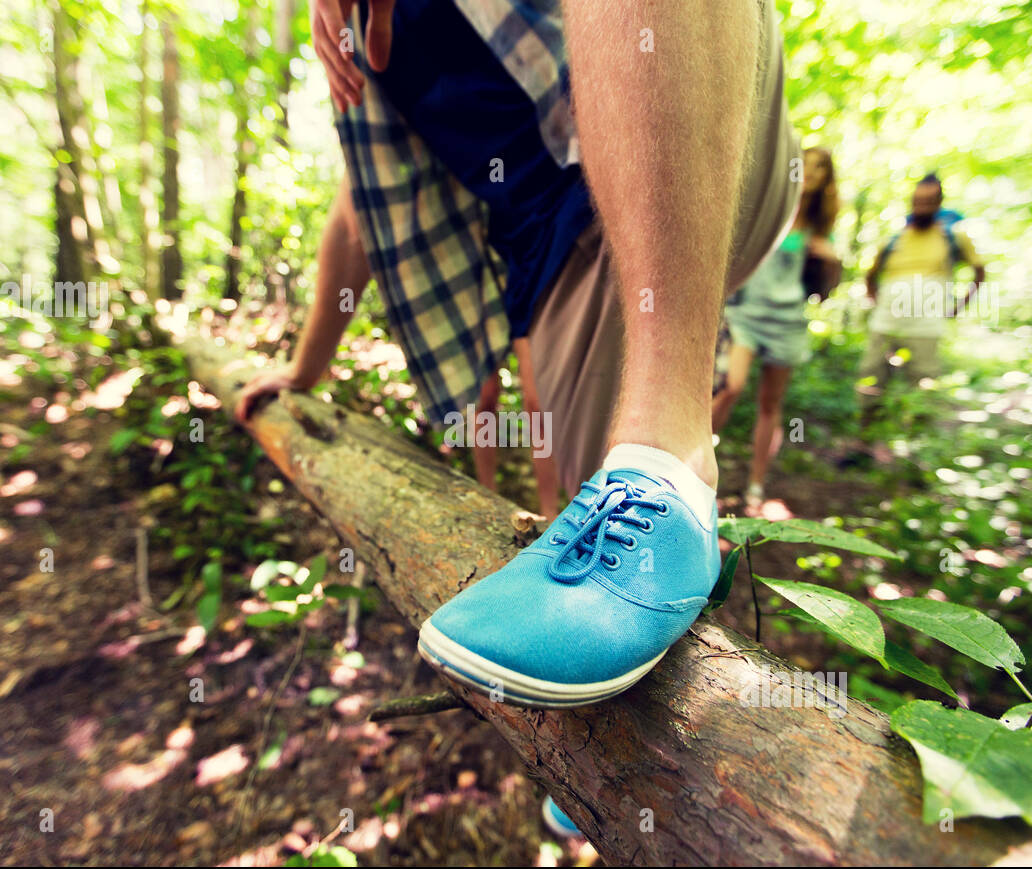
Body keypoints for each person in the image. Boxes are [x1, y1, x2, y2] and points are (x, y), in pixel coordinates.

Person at [251, 0, 799, 709]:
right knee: (571, 520)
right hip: (544, 265)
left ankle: (674, 461)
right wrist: (303, 373)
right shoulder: (353, 40)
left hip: (682, 160)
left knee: (647, 502)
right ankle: (608, 751)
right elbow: (357, 214)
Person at [235, 175, 561, 517]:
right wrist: (302, 371)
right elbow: (353, 220)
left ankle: (553, 517)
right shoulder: (379, 143)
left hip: (526, 250)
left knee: (538, 398)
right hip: (472, 268)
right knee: (483, 394)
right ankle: (492, 502)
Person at [710, 145, 840, 512]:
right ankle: (695, 468)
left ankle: (755, 486)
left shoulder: (819, 229)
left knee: (771, 404)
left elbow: (824, 293)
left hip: (786, 321)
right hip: (746, 313)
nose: (812, 174)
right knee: (730, 387)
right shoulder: (769, 209)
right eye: (807, 166)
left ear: (826, 180)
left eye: (820, 170)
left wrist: (830, 261)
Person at [858, 173, 986, 421]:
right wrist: (875, 302)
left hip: (926, 327)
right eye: (918, 200)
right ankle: (866, 436)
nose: (922, 206)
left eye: (929, 201)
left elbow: (979, 272)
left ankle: (915, 442)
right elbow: (870, 276)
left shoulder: (953, 237)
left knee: (924, 384)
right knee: (871, 378)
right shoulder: (895, 238)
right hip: (886, 324)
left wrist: (959, 305)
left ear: (939, 203)